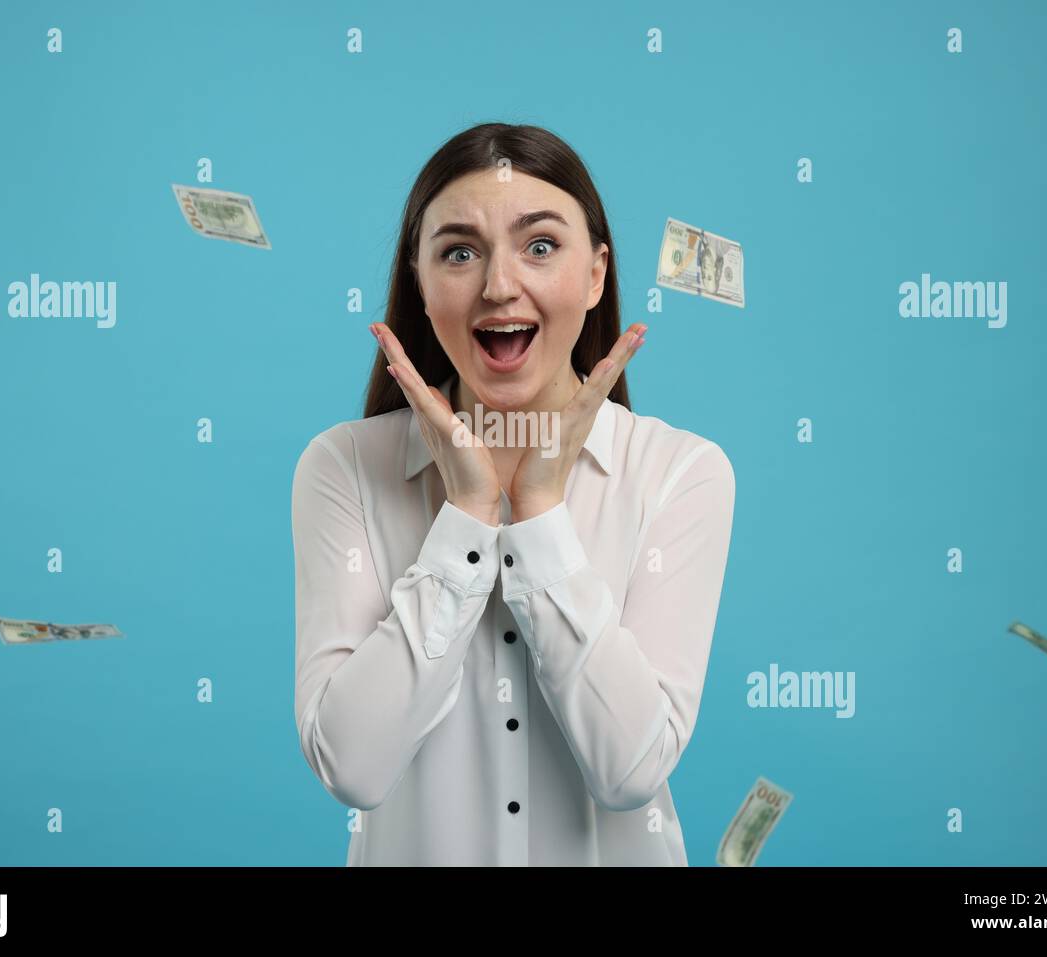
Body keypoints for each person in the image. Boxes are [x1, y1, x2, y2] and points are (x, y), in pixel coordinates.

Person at [292, 122, 736, 865]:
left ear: (595, 275)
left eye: (540, 246)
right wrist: (466, 519)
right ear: (420, 282)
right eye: (460, 252)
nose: (499, 286)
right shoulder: (343, 466)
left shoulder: (681, 471)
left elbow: (630, 770)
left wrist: (539, 517)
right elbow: (353, 766)